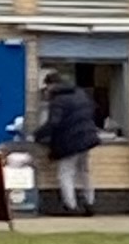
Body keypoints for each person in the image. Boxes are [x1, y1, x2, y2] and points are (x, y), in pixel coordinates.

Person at [34, 73, 102, 215]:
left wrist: (37, 134)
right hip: (87, 138)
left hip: (70, 140)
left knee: (66, 172)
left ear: (51, 85)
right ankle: (90, 202)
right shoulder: (80, 93)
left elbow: (53, 123)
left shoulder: (58, 100)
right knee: (84, 171)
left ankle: (70, 205)